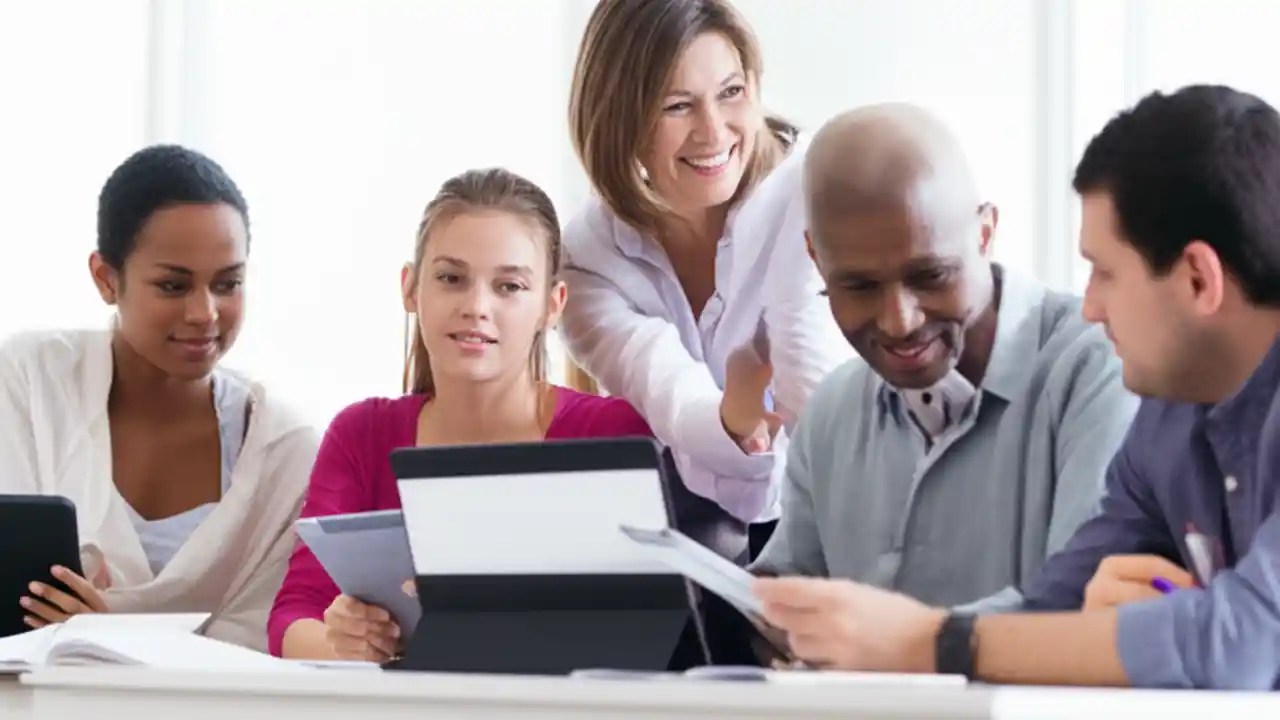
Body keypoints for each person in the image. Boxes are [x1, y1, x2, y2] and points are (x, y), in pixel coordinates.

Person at [753, 84, 1280, 690]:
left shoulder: (1098, 375)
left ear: (1197, 279)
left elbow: (1239, 643)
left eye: (1104, 273)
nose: (1090, 306)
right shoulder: (1168, 422)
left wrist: (921, 641)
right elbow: (1060, 605)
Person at [749, 103, 1137, 612]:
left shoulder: (1105, 368)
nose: (899, 322)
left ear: (985, 233)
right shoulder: (831, 411)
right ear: (817, 261)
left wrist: (895, 640)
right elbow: (786, 595)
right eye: (859, 286)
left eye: (930, 276)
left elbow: (1088, 604)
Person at [270, 168, 654, 662]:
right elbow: (292, 617)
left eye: (509, 286)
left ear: (552, 305)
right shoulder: (360, 434)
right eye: (451, 278)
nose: (476, 306)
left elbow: (642, 628)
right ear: (411, 288)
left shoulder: (609, 435)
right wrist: (342, 642)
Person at [560, 0, 852, 555]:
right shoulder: (588, 257)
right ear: (621, 120)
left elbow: (811, 383)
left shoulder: (813, 188)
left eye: (730, 92)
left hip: (838, 508)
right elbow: (663, 389)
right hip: (686, 531)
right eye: (677, 106)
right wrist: (731, 419)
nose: (713, 131)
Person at [0, 145, 318, 652]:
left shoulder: (285, 450)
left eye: (228, 283)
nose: (205, 313)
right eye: (173, 285)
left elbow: (278, 636)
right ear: (107, 278)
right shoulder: (31, 382)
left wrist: (108, 633)